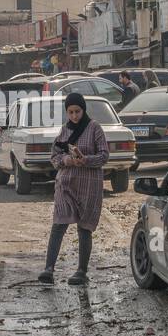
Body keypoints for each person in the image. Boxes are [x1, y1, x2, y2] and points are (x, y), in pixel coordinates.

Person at [39, 93, 109, 286]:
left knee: (84, 227)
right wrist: (67, 160)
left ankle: (81, 271)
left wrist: (85, 159)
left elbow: (104, 155)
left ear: (83, 110)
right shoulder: (64, 131)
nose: (75, 116)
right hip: (67, 184)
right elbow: (54, 157)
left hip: (89, 186)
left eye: (77, 111)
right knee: (59, 223)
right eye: (71, 112)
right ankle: (48, 269)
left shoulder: (94, 128)